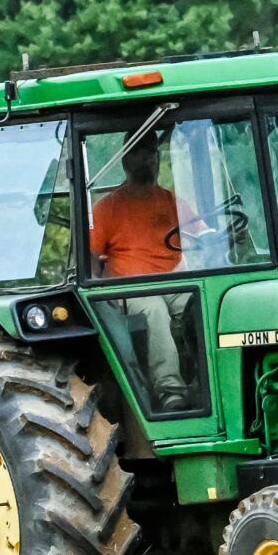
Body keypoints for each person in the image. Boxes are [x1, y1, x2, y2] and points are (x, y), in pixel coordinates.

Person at [87, 142, 191, 401]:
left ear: (157, 159)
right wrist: (100, 299)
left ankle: (208, 383)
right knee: (153, 310)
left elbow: (202, 237)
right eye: (138, 154)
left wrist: (227, 238)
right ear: (125, 161)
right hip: (130, 288)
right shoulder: (107, 208)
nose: (145, 161)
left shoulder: (173, 203)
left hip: (175, 282)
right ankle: (171, 391)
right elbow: (90, 258)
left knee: (200, 306)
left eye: (150, 154)